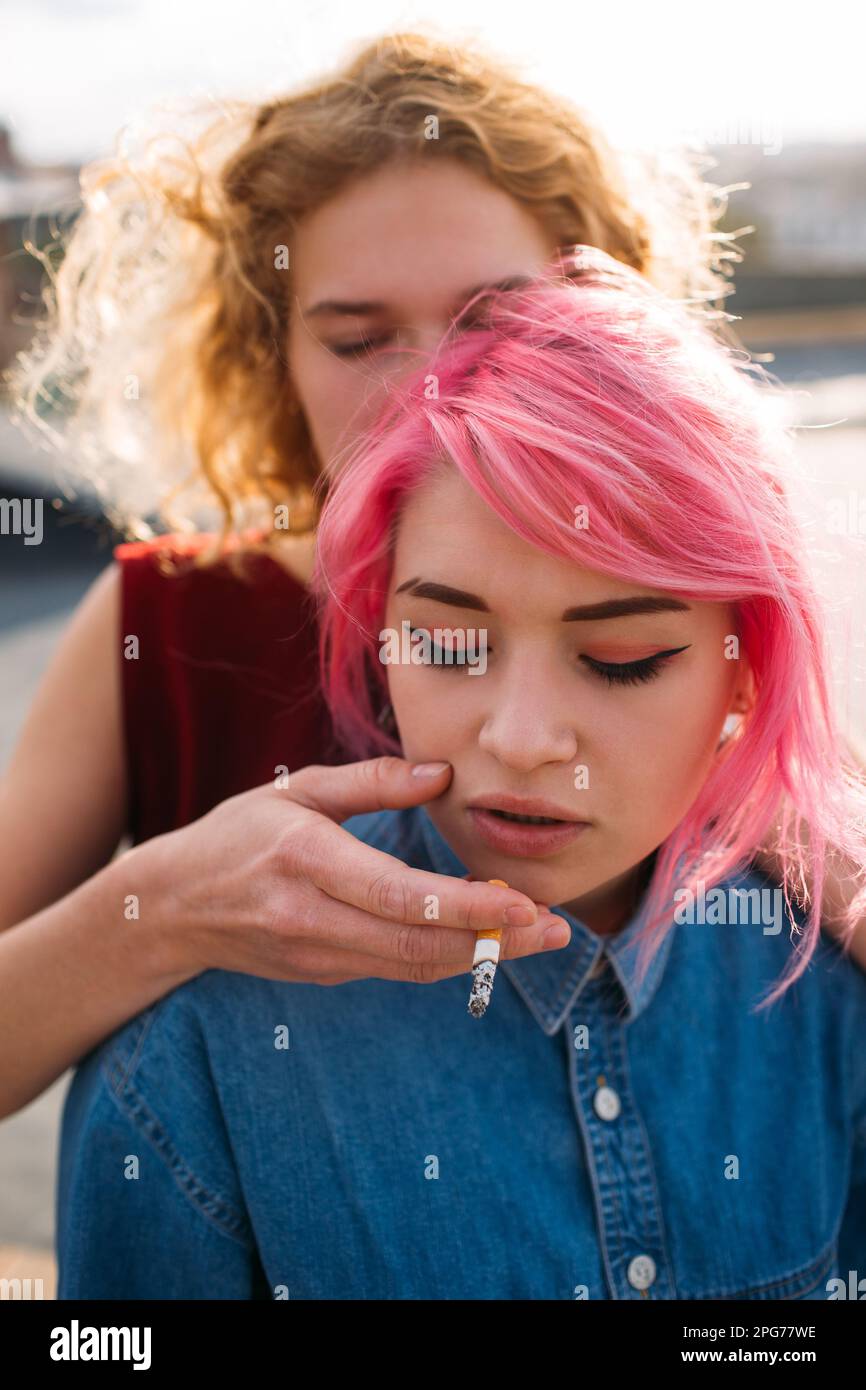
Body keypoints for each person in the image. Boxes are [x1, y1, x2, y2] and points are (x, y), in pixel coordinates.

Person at [2, 30, 864, 1126]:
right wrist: (166, 908)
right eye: (360, 339)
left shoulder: (698, 614)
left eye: (489, 320)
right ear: (271, 354)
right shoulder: (159, 621)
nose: (429, 385)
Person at [56, 258, 866, 1299]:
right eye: (445, 643)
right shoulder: (203, 1049)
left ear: (745, 669)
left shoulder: (825, 991)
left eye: (620, 658)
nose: (522, 737)